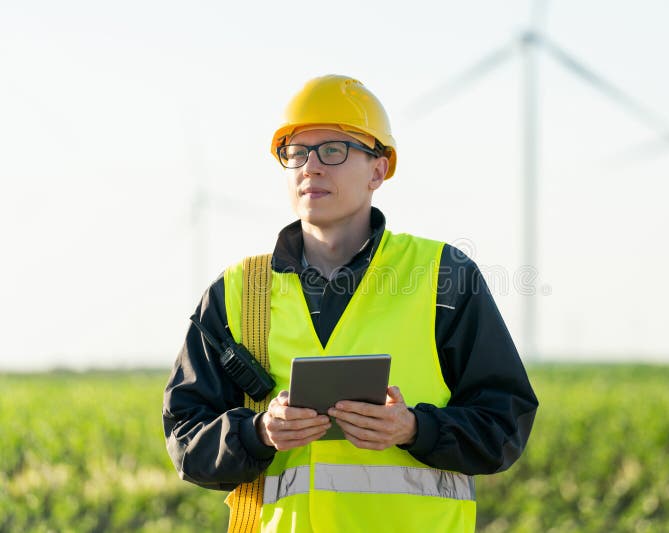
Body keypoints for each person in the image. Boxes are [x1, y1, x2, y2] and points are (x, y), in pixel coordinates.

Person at [163, 74, 538, 532]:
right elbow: (185, 438)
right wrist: (257, 432)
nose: (311, 167)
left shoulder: (443, 275)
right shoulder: (237, 292)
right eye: (296, 152)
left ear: (378, 170)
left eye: (333, 150)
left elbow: (505, 423)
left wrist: (415, 429)